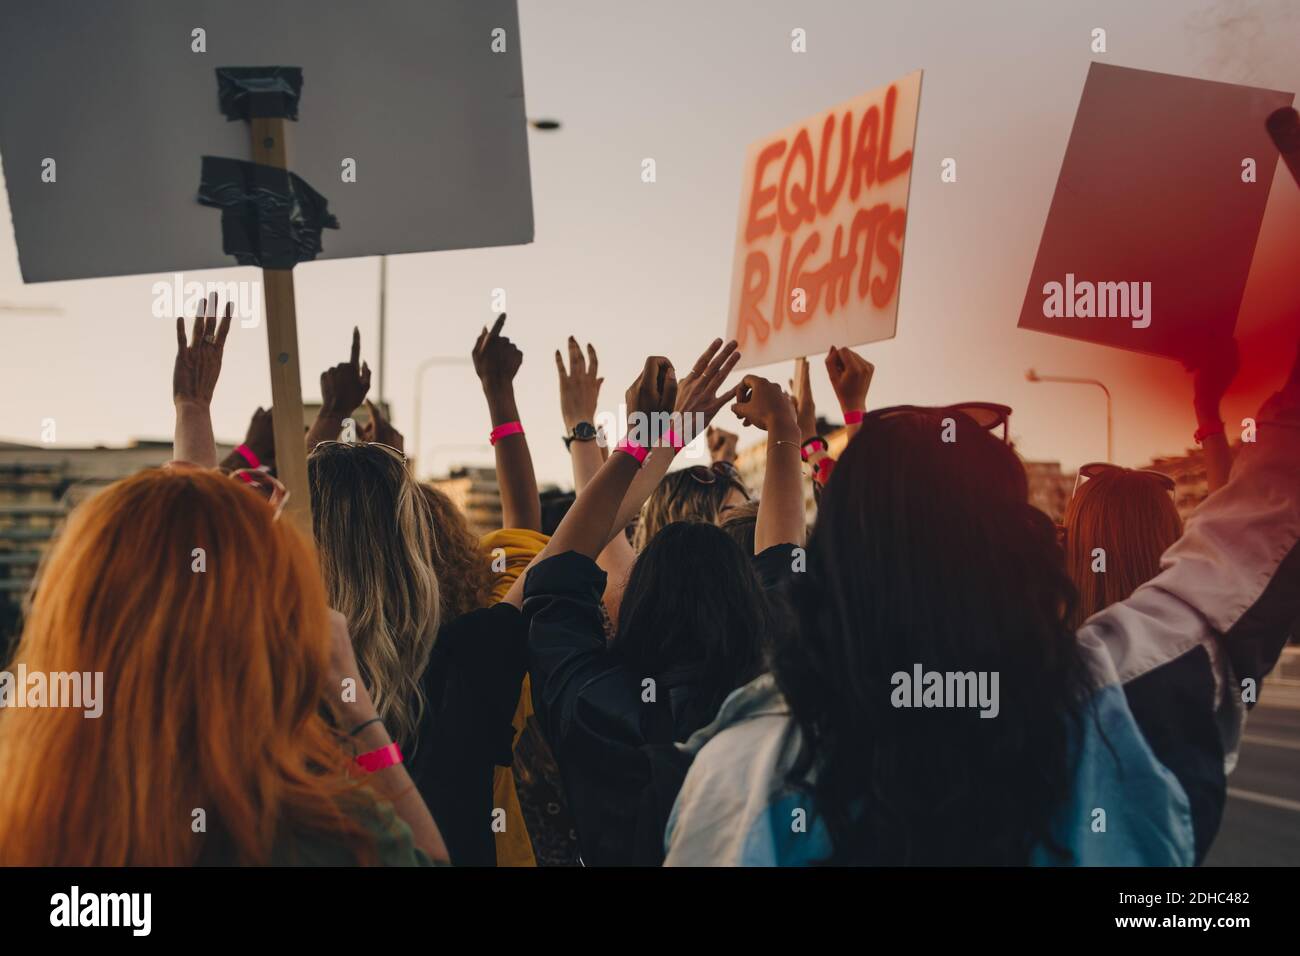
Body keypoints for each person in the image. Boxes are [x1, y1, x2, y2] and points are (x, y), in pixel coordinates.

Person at [665, 342, 1300, 866]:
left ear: (831, 566)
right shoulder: (1121, 710)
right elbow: (1254, 542)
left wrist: (797, 436)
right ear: (1021, 554)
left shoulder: (742, 775)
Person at [0, 301, 447, 864]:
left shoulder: (27, 803)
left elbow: (181, 565)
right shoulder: (311, 828)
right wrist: (356, 708)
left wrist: (192, 411)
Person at [511, 348, 808, 865]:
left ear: (633, 599)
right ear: (751, 606)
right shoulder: (775, 688)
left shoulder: (589, 697)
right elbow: (784, 563)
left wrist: (635, 440)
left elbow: (558, 573)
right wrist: (784, 431)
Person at [1061, 342, 1239, 630]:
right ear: (1169, 537)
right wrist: (1207, 409)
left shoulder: (1045, 643)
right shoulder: (1192, 630)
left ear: (1071, 544)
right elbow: (1229, 531)